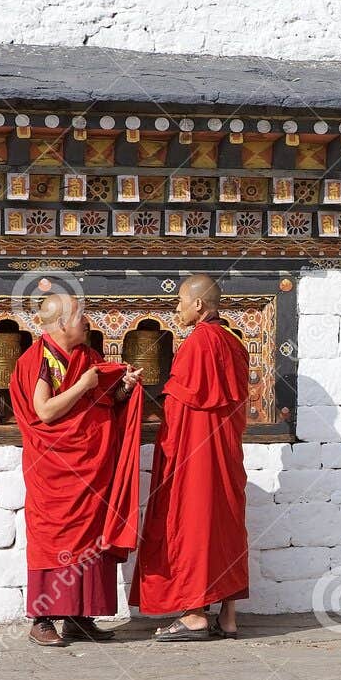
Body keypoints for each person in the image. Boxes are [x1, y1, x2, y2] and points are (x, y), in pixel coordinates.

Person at [10, 291, 144, 648]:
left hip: (91, 467)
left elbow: (104, 400)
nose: (87, 322)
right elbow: (45, 411)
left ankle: (80, 618)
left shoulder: (88, 356)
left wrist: (124, 389)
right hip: (55, 469)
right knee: (53, 539)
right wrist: (84, 384)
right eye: (81, 316)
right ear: (62, 323)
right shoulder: (38, 359)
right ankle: (42, 619)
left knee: (89, 540)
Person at [130, 273, 251, 641]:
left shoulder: (199, 342)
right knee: (225, 524)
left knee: (194, 524)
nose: (177, 308)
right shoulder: (233, 341)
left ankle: (195, 615)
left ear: (198, 304)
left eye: (180, 301)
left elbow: (182, 406)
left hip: (195, 453)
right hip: (225, 451)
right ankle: (228, 617)